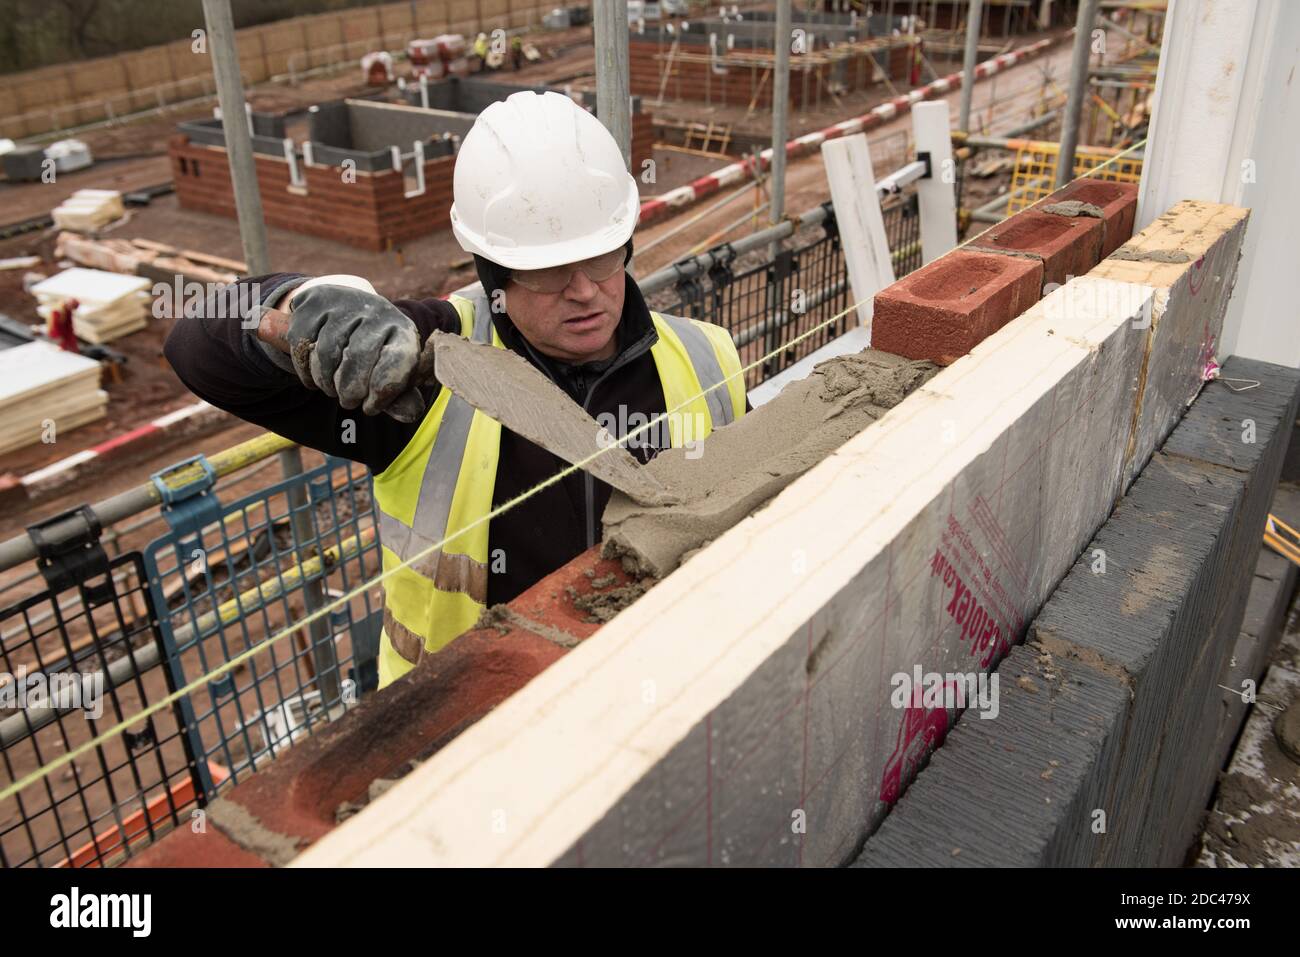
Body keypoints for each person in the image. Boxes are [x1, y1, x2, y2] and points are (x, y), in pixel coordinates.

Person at [165, 91, 747, 688]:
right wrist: (295, 307)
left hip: (663, 686)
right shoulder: (423, 359)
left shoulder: (707, 356)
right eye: (547, 269)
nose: (585, 291)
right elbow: (195, 344)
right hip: (469, 725)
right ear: (491, 269)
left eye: (602, 258)